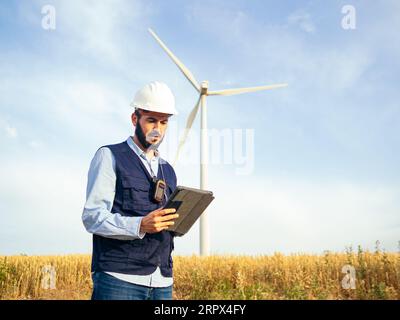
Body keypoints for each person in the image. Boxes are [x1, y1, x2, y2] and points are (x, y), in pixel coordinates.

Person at [82, 81, 180, 300]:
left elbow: (166, 224)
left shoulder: (169, 171)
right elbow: (92, 217)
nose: (158, 129)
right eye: (151, 120)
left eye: (164, 122)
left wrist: (179, 222)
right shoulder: (110, 156)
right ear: (135, 119)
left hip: (162, 280)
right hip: (119, 279)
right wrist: (140, 225)